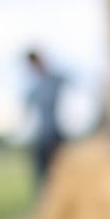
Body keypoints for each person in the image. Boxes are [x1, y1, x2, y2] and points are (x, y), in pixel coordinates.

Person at [24, 50, 65, 189]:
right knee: (42, 176)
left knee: (58, 173)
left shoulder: (54, 79)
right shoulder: (33, 85)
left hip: (55, 134)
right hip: (41, 136)